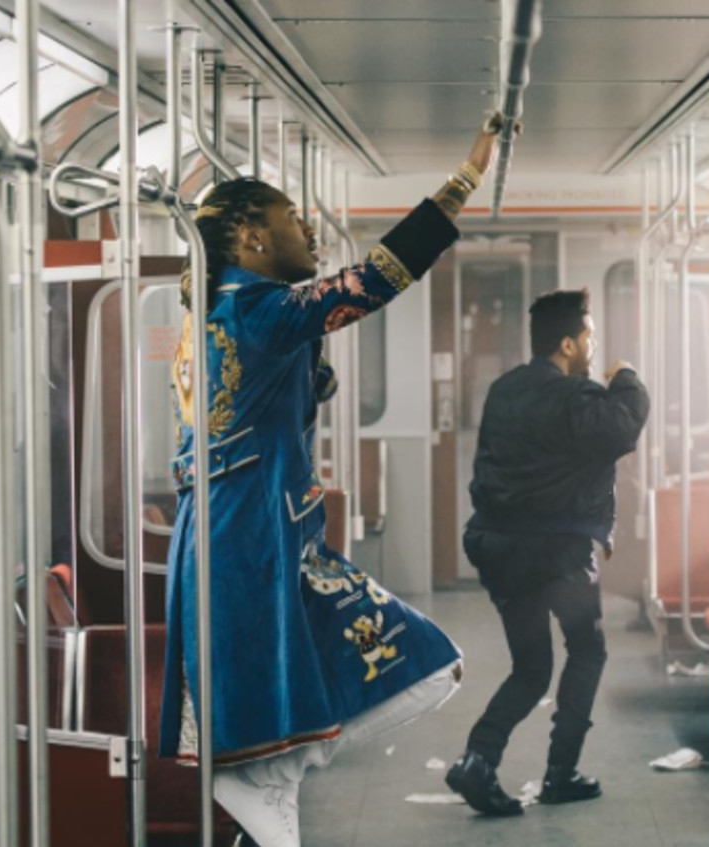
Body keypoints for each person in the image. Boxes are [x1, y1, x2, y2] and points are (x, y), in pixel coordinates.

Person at [158, 115, 506, 847]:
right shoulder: (257, 312)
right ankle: (263, 782)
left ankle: (275, 776)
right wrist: (463, 180)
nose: (310, 230)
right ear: (251, 235)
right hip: (248, 535)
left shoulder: (219, 316)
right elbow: (375, 278)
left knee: (414, 661)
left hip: (245, 528)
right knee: (407, 666)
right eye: (292, 219)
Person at [445, 289, 649, 816]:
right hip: (557, 550)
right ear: (567, 343)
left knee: (531, 666)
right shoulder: (573, 397)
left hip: (500, 545)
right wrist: (626, 376)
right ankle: (561, 774)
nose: (593, 346)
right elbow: (622, 428)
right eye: (589, 338)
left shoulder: (503, 390)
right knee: (587, 649)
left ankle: (478, 759)